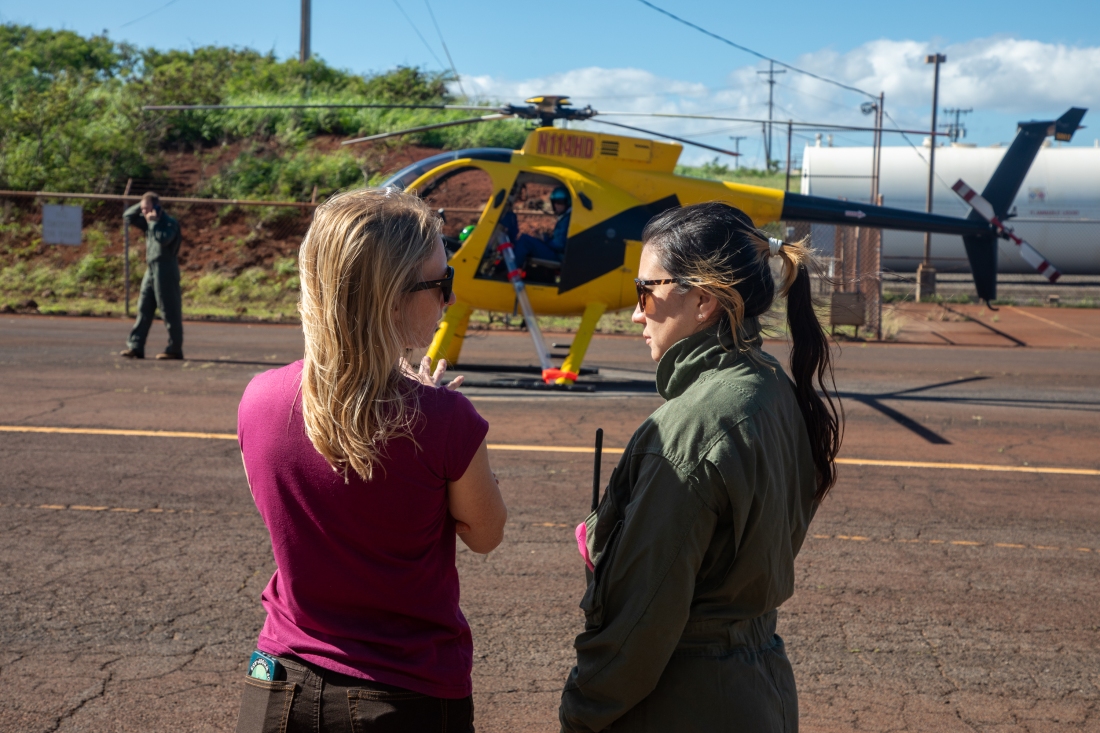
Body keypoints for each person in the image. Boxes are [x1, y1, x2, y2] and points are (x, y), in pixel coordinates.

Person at [560, 202, 843, 733]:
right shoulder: (769, 384)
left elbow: (640, 623)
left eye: (647, 291)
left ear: (704, 301)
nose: (636, 312)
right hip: (760, 691)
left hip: (683, 701)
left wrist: (580, 714)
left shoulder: (689, 428)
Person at [235, 188, 507, 733]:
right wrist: (436, 406)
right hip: (402, 695)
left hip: (277, 686)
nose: (449, 300)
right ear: (391, 300)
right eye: (441, 284)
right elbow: (486, 532)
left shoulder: (259, 398)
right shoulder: (444, 418)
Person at [120, 191, 184, 359]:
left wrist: (154, 222)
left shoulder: (168, 223)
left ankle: (175, 348)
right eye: (142, 209)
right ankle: (136, 346)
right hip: (151, 269)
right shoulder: (147, 220)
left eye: (147, 208)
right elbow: (127, 216)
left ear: (157, 207)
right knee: (144, 307)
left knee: (169, 310)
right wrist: (143, 205)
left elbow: (164, 239)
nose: (143, 213)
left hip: (166, 269)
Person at [502, 185, 571, 267]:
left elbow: (559, 245)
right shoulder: (565, 217)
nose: (557, 205)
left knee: (525, 240)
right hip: (557, 253)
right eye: (555, 202)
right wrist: (541, 236)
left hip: (558, 256)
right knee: (521, 241)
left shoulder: (567, 219)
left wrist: (543, 238)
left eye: (560, 202)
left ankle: (511, 269)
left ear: (567, 202)